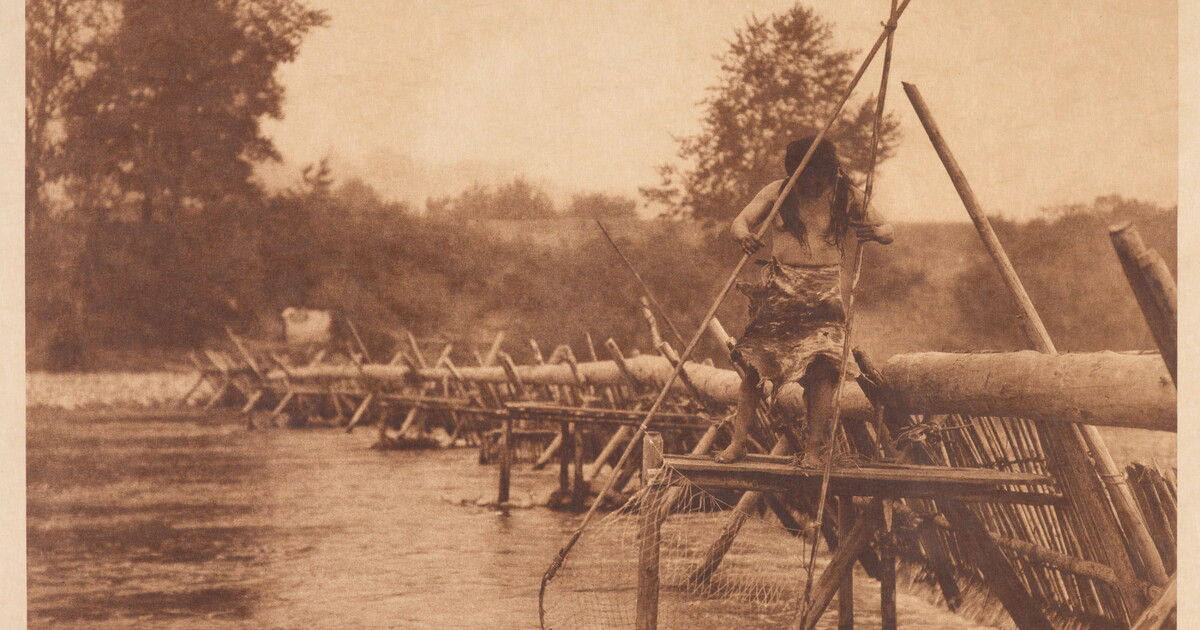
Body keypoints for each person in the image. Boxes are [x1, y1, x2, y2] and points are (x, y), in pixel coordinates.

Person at [714, 136, 894, 467]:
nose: (811, 183)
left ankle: (813, 451)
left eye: (817, 176)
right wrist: (744, 237)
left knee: (822, 373)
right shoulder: (778, 192)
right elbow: (740, 223)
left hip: (823, 293)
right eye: (805, 176)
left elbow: (886, 227)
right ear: (795, 172)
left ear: (829, 172)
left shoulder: (845, 194)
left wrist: (876, 234)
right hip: (781, 287)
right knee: (754, 367)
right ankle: (738, 443)